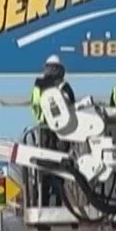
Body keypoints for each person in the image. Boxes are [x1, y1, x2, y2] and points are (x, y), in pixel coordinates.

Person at [29, 55, 75, 204]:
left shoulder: (38, 87)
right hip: (62, 132)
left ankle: (43, 199)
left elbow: (35, 105)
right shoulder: (64, 87)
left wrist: (41, 119)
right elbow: (72, 108)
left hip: (44, 131)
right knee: (60, 164)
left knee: (43, 167)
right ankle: (59, 199)